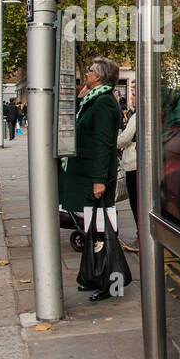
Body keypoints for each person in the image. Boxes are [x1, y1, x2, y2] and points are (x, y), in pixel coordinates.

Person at [58, 57, 124, 300]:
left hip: (95, 178)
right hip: (86, 175)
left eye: (90, 70)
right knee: (92, 231)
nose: (86, 73)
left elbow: (103, 145)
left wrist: (98, 180)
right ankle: (93, 275)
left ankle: (108, 281)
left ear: (100, 76)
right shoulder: (93, 99)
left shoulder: (105, 103)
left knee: (100, 233)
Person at [115, 108, 139, 252]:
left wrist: (114, 142)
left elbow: (125, 138)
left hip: (134, 164)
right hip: (146, 163)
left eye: (135, 94)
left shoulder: (137, 116)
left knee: (136, 204)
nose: (132, 96)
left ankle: (140, 238)